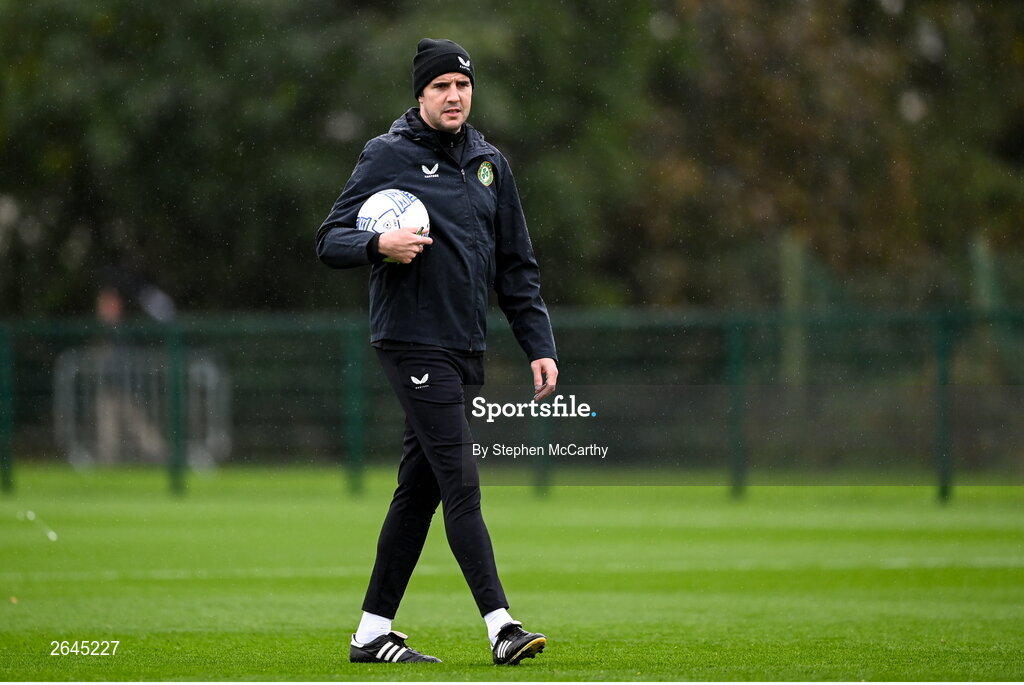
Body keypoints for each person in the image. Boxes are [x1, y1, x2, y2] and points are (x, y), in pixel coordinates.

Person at [316, 38, 558, 665]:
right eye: (440, 86)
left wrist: (538, 343)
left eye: (463, 85)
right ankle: (501, 625)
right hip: (410, 339)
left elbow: (516, 265)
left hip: (463, 344)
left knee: (418, 491)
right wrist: (378, 245)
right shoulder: (386, 154)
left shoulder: (488, 163)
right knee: (460, 481)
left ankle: (371, 633)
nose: (454, 95)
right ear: (420, 95)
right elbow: (330, 239)